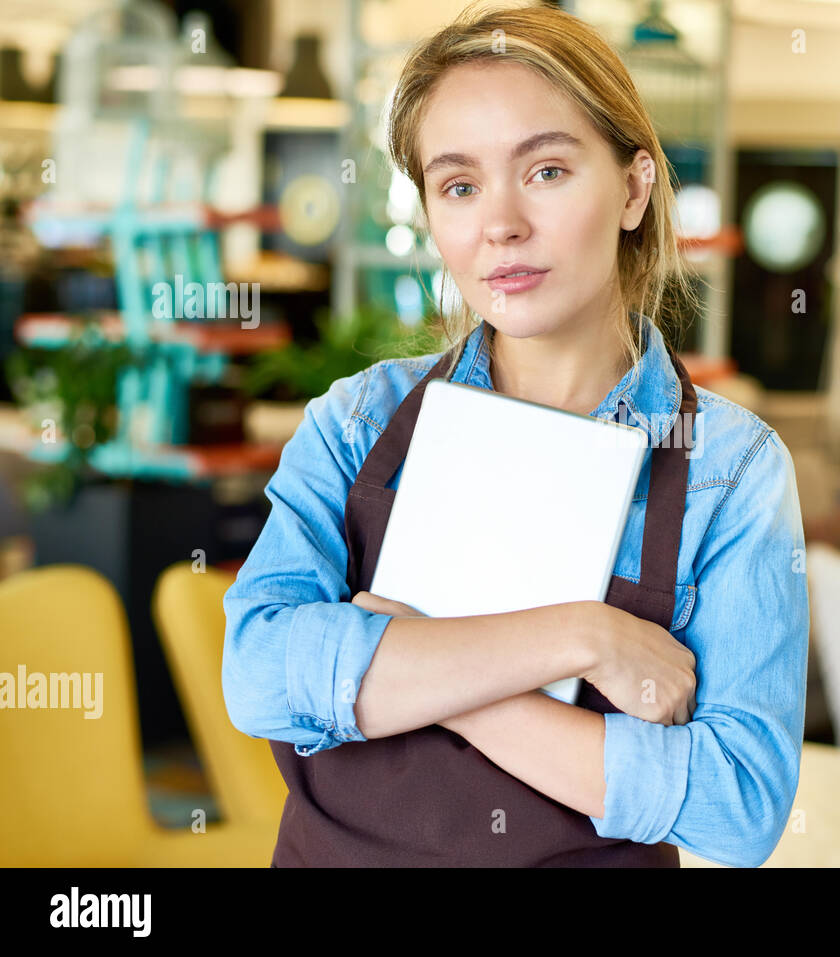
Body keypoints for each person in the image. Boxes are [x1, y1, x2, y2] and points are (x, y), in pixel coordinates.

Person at [222, 2, 809, 868]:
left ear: (634, 188)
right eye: (460, 186)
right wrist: (578, 636)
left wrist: (424, 677)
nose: (500, 224)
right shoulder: (356, 423)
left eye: (545, 172)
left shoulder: (734, 471)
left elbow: (739, 802)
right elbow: (260, 672)